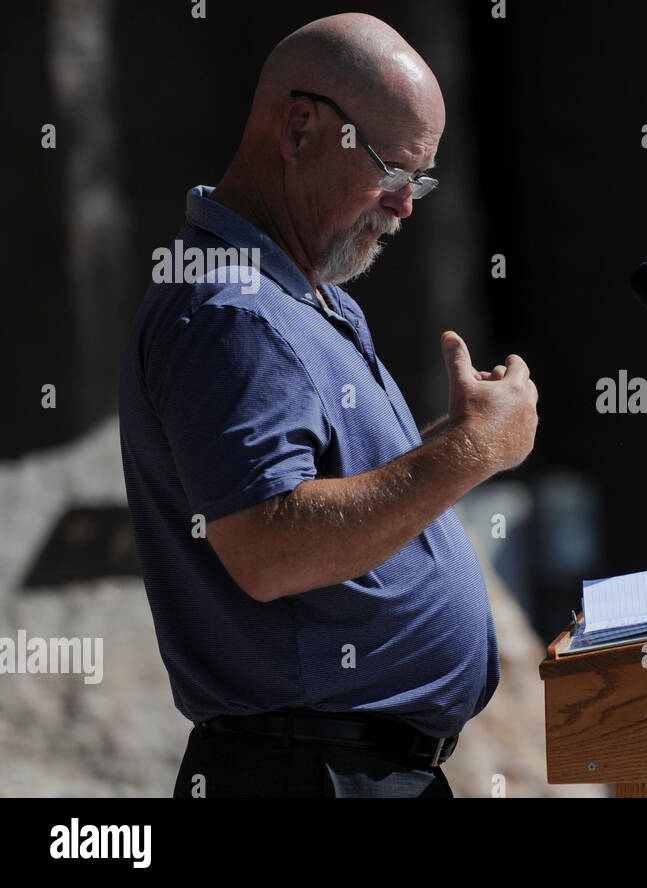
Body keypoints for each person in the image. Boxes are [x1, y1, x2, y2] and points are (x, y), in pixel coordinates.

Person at [117, 13, 538, 798]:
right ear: (302, 127)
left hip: (344, 767)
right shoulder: (231, 312)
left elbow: (335, 496)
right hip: (308, 771)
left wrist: (457, 438)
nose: (407, 205)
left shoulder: (298, 292)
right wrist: (471, 452)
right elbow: (272, 546)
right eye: (392, 170)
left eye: (422, 179)